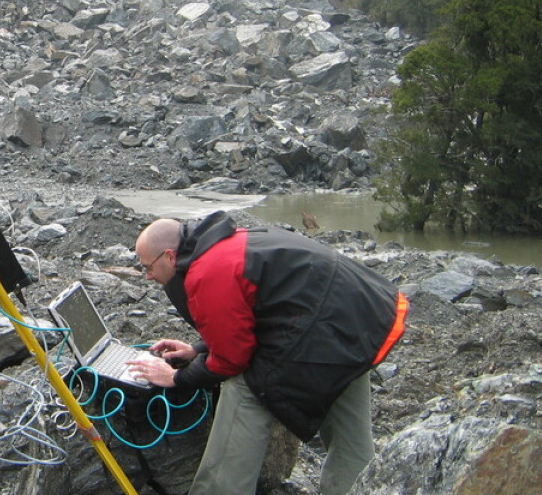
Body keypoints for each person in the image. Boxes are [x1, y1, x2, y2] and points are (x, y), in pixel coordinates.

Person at [126, 211, 407, 495]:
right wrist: (198, 349)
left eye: (148, 267)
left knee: (244, 387)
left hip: (325, 328)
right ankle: (355, 488)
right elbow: (258, 310)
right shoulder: (222, 242)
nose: (148, 276)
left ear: (170, 256)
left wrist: (175, 378)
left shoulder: (207, 271)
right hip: (359, 317)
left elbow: (232, 361)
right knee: (350, 434)